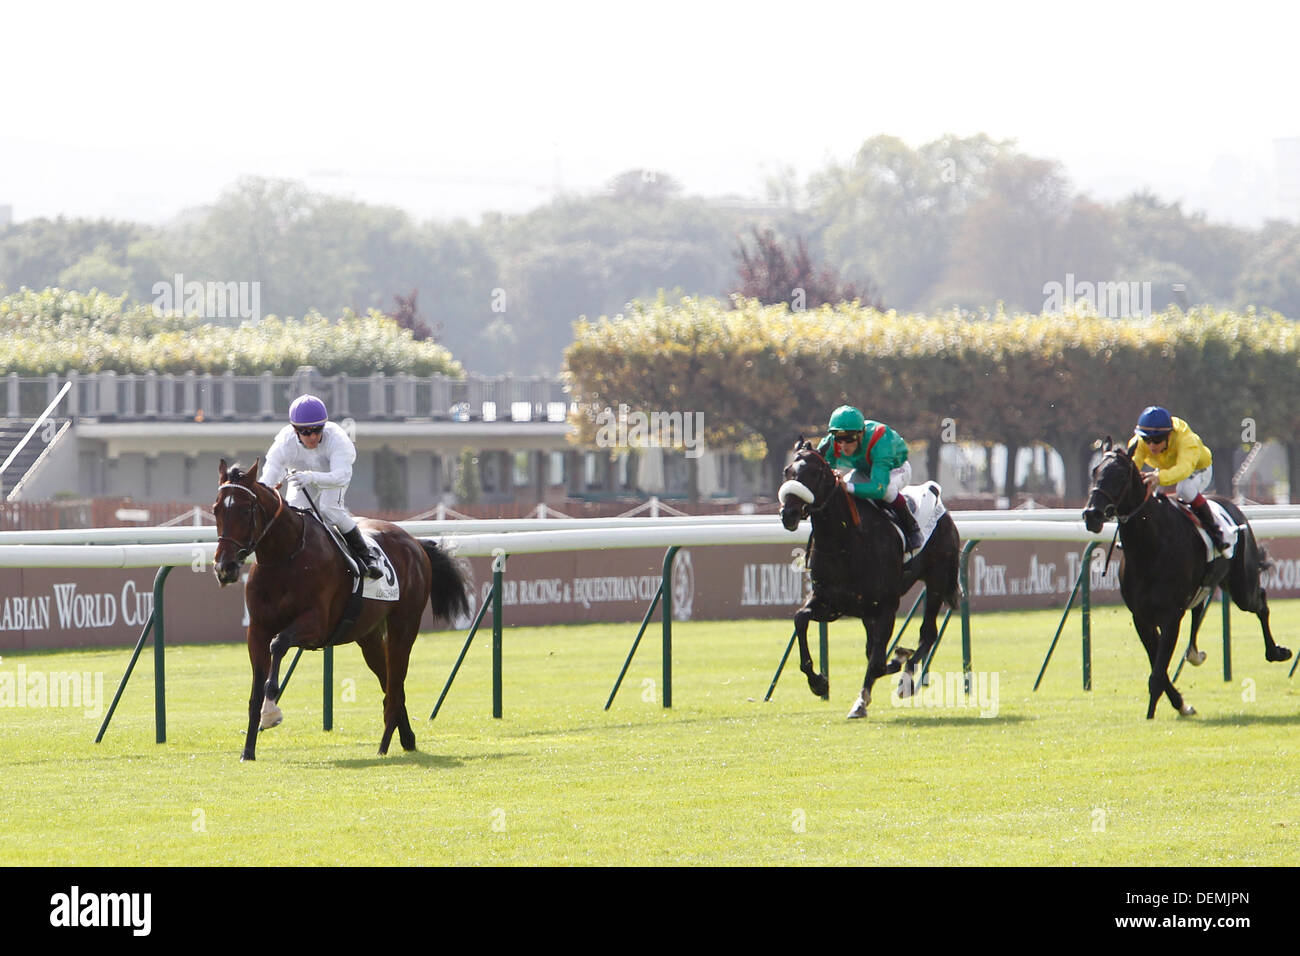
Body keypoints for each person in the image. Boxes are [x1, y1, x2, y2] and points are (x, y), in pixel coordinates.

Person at [259, 394, 383, 579]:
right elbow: (269, 475)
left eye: (318, 430)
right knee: (296, 513)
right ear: (295, 430)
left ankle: (367, 556)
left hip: (332, 477)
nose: (313, 437)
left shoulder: (338, 439)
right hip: (302, 477)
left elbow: (341, 476)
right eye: (306, 432)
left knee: (329, 509)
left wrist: (311, 477)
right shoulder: (284, 443)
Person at [815, 405, 923, 550]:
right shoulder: (830, 443)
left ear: (861, 434)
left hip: (895, 469)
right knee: (839, 491)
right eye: (839, 438)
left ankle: (912, 528)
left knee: (887, 491)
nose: (843, 445)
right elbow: (819, 470)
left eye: (849, 438)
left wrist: (847, 487)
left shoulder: (881, 439)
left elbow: (879, 488)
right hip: (864, 470)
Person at [1128, 405, 1228, 553]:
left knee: (1184, 490)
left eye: (1156, 440)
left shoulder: (1186, 440)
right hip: (1167, 470)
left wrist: (1158, 477)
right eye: (1146, 439)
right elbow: (1132, 466)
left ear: (1169, 435)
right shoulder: (1140, 442)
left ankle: (1215, 531)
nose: (1151, 445)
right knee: (1150, 493)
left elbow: (1184, 469)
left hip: (1197, 469)